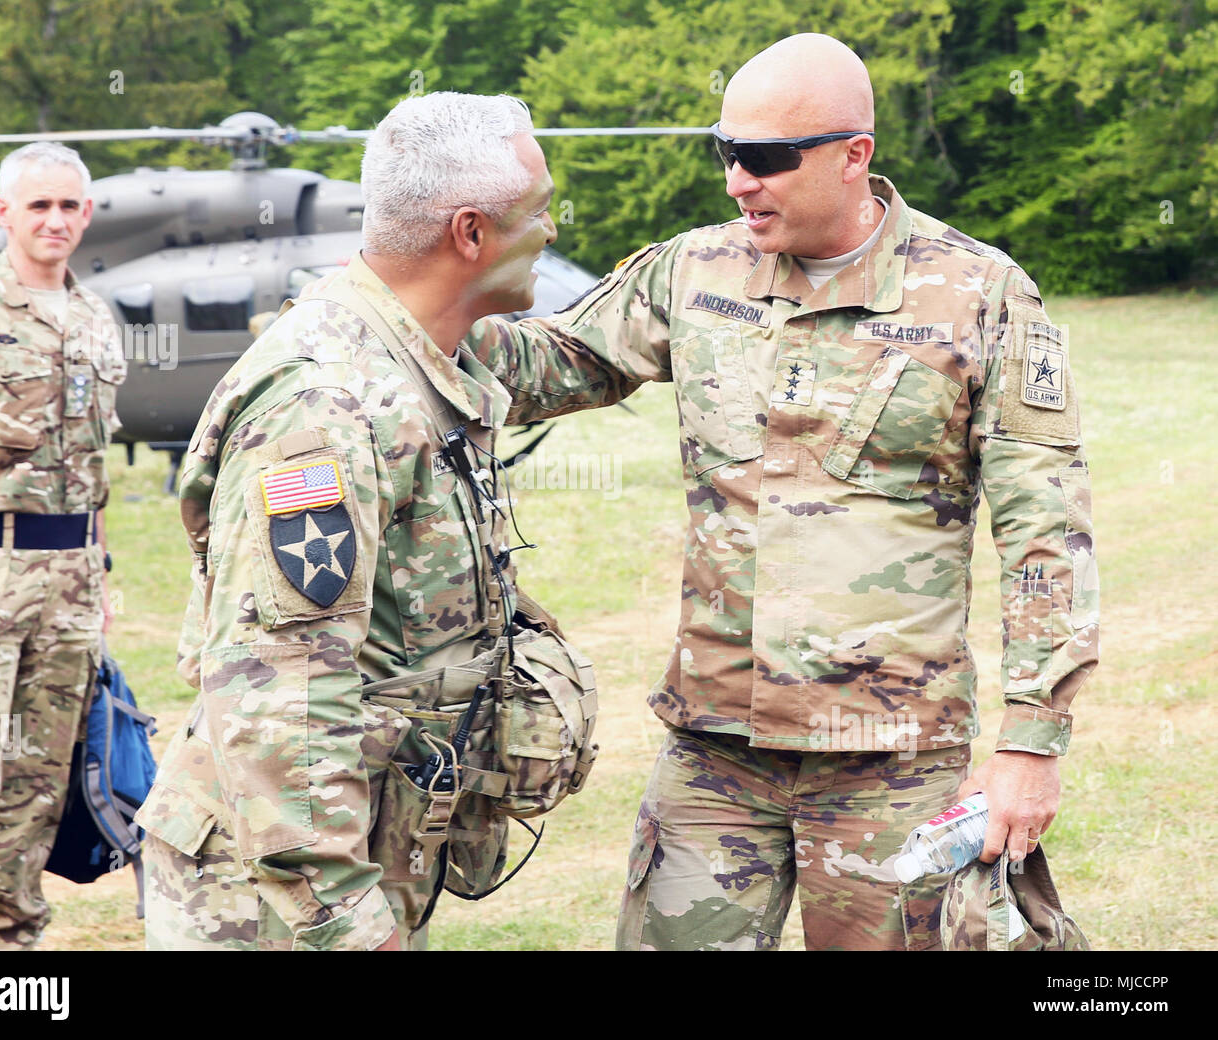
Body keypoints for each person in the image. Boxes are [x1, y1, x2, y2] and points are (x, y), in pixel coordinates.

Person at [466, 33, 1099, 950]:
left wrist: (1031, 746)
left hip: (894, 762)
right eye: (726, 154)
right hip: (713, 755)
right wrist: (393, 315)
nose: (738, 181)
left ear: (855, 157)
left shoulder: (980, 296)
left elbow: (1048, 531)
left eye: (764, 158)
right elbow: (538, 364)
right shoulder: (695, 273)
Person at [135, 92, 561, 951]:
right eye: (539, 212)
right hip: (271, 897)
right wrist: (348, 923)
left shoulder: (417, 350)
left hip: (352, 847)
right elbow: (279, 694)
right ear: (470, 234)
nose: (550, 232)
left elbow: (573, 358)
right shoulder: (326, 408)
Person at [0, 142, 123, 949]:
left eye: (70, 206)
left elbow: (96, 470)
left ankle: (4, 961)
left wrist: (100, 572)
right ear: (3, 212)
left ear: (87, 215)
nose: (55, 220)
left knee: (35, 789)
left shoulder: (95, 320)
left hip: (70, 581)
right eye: (39, 205)